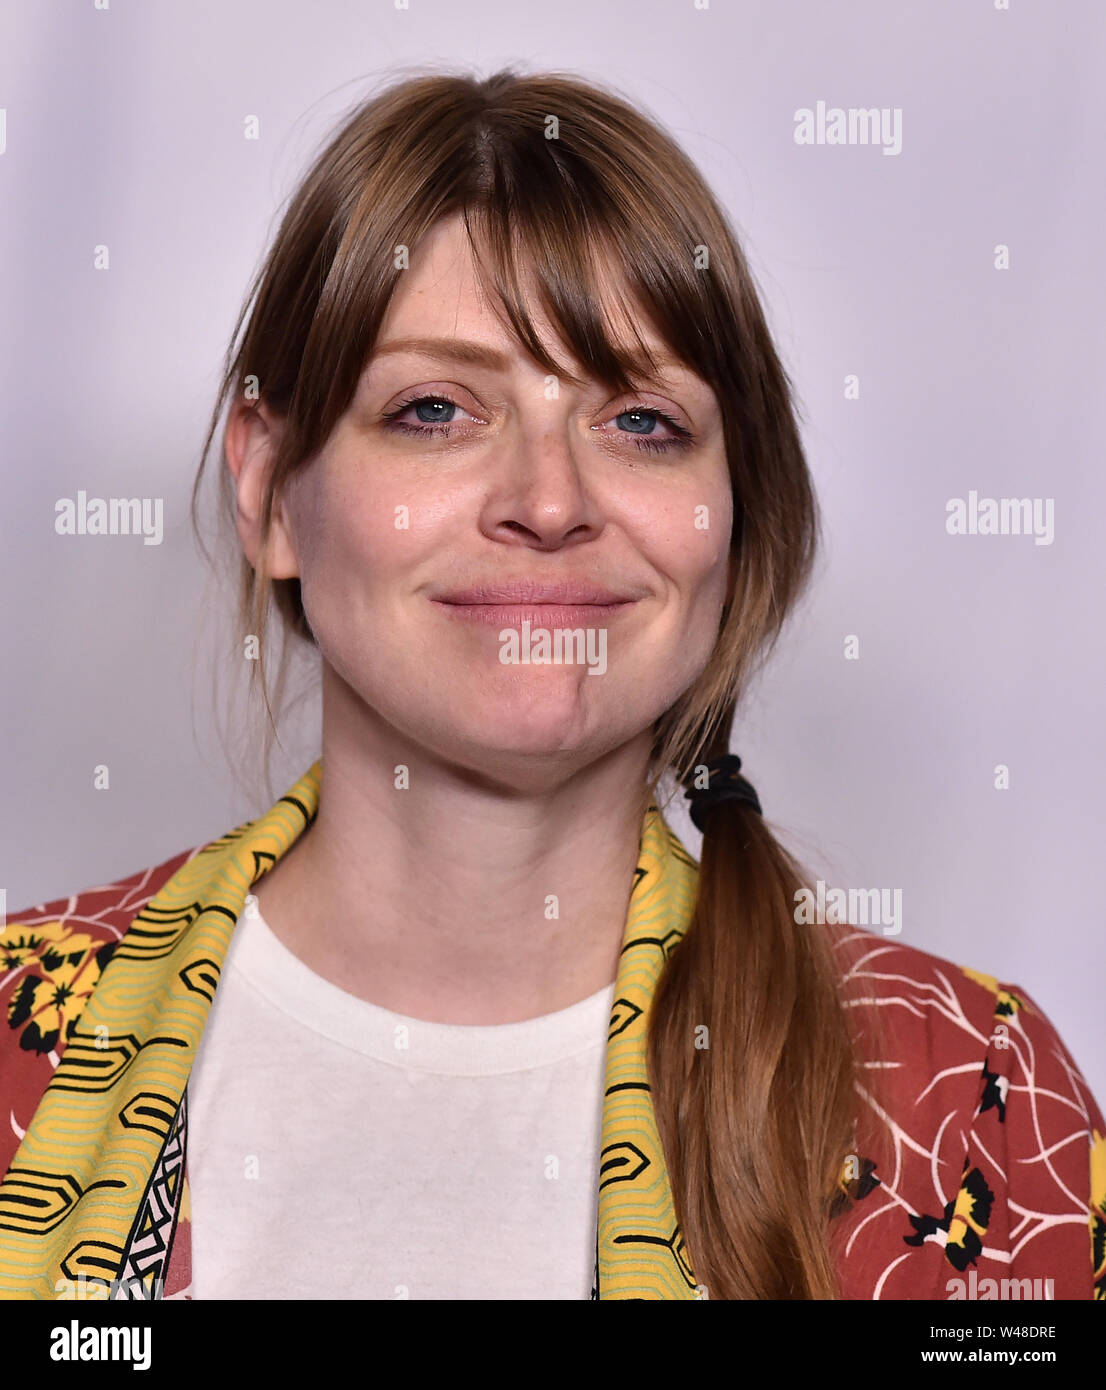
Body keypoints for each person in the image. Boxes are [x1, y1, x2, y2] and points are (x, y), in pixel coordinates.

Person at [0, 68, 1101, 1303]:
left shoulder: (966, 1096)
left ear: (731, 520)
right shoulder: (10, 1036)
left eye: (639, 423)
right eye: (434, 409)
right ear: (268, 493)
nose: (549, 500)